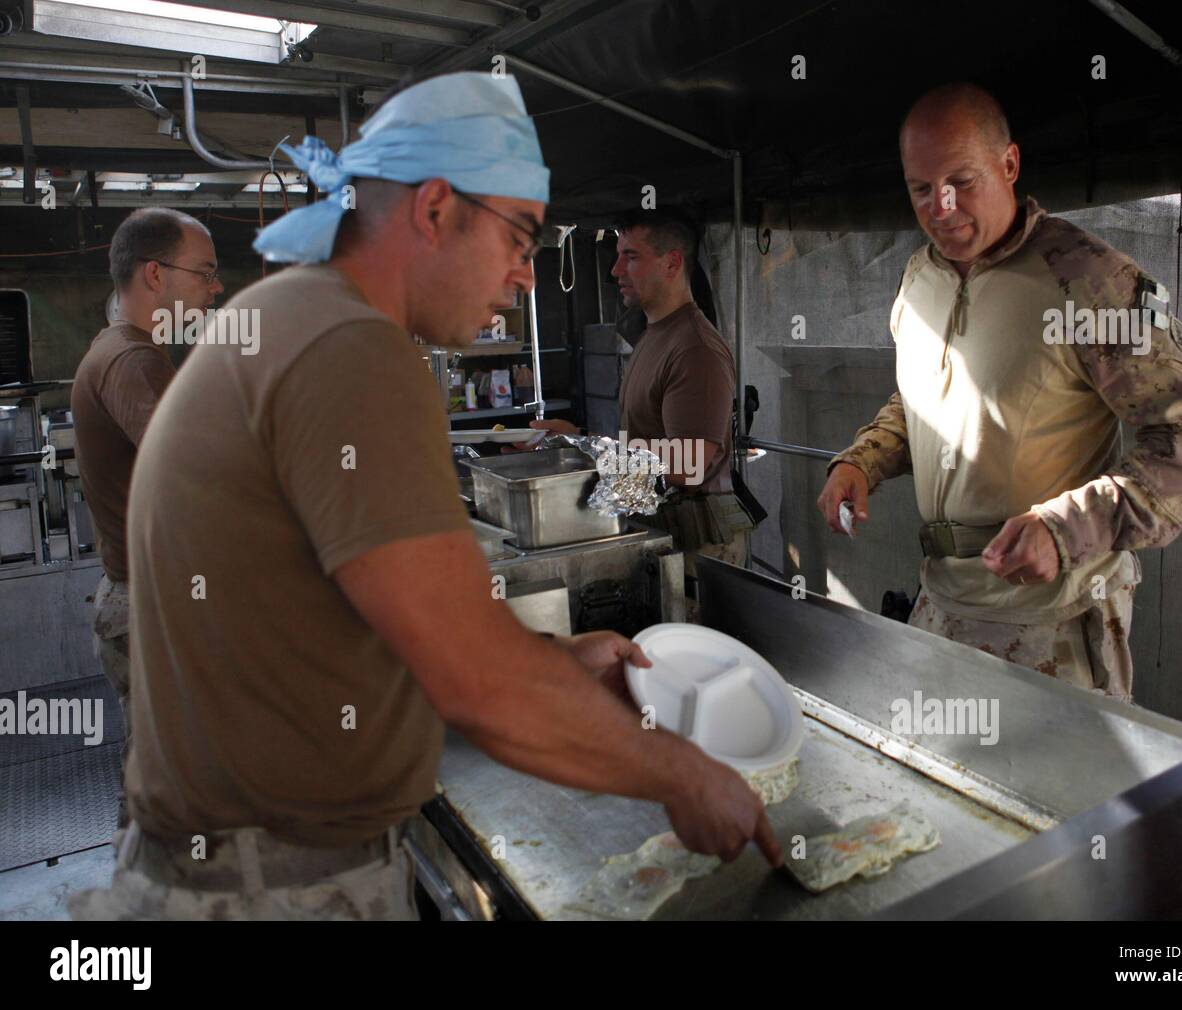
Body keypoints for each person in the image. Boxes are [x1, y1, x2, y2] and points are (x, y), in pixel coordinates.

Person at [69, 72, 778, 922]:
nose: (526, 275)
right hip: (275, 883)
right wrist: (686, 774)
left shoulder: (300, 319)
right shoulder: (350, 351)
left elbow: (379, 632)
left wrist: (549, 665)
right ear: (435, 208)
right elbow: (474, 678)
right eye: (520, 235)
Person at [816, 83, 1182, 701]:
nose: (941, 207)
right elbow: (925, 399)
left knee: (1060, 799)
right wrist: (863, 460)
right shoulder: (919, 277)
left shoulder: (1087, 280)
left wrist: (1066, 527)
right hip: (942, 604)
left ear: (1009, 164)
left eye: (962, 179)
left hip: (1051, 627)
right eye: (920, 189)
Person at [70, 207, 222, 825]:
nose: (216, 289)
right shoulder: (134, 359)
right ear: (155, 275)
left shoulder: (122, 349)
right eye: (205, 274)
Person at [528, 209, 754, 570]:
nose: (615, 270)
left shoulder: (694, 348)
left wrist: (590, 454)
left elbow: (688, 463)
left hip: (700, 549)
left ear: (671, 263)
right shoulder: (653, 334)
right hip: (663, 532)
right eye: (618, 256)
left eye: (630, 257)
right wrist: (578, 439)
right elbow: (646, 441)